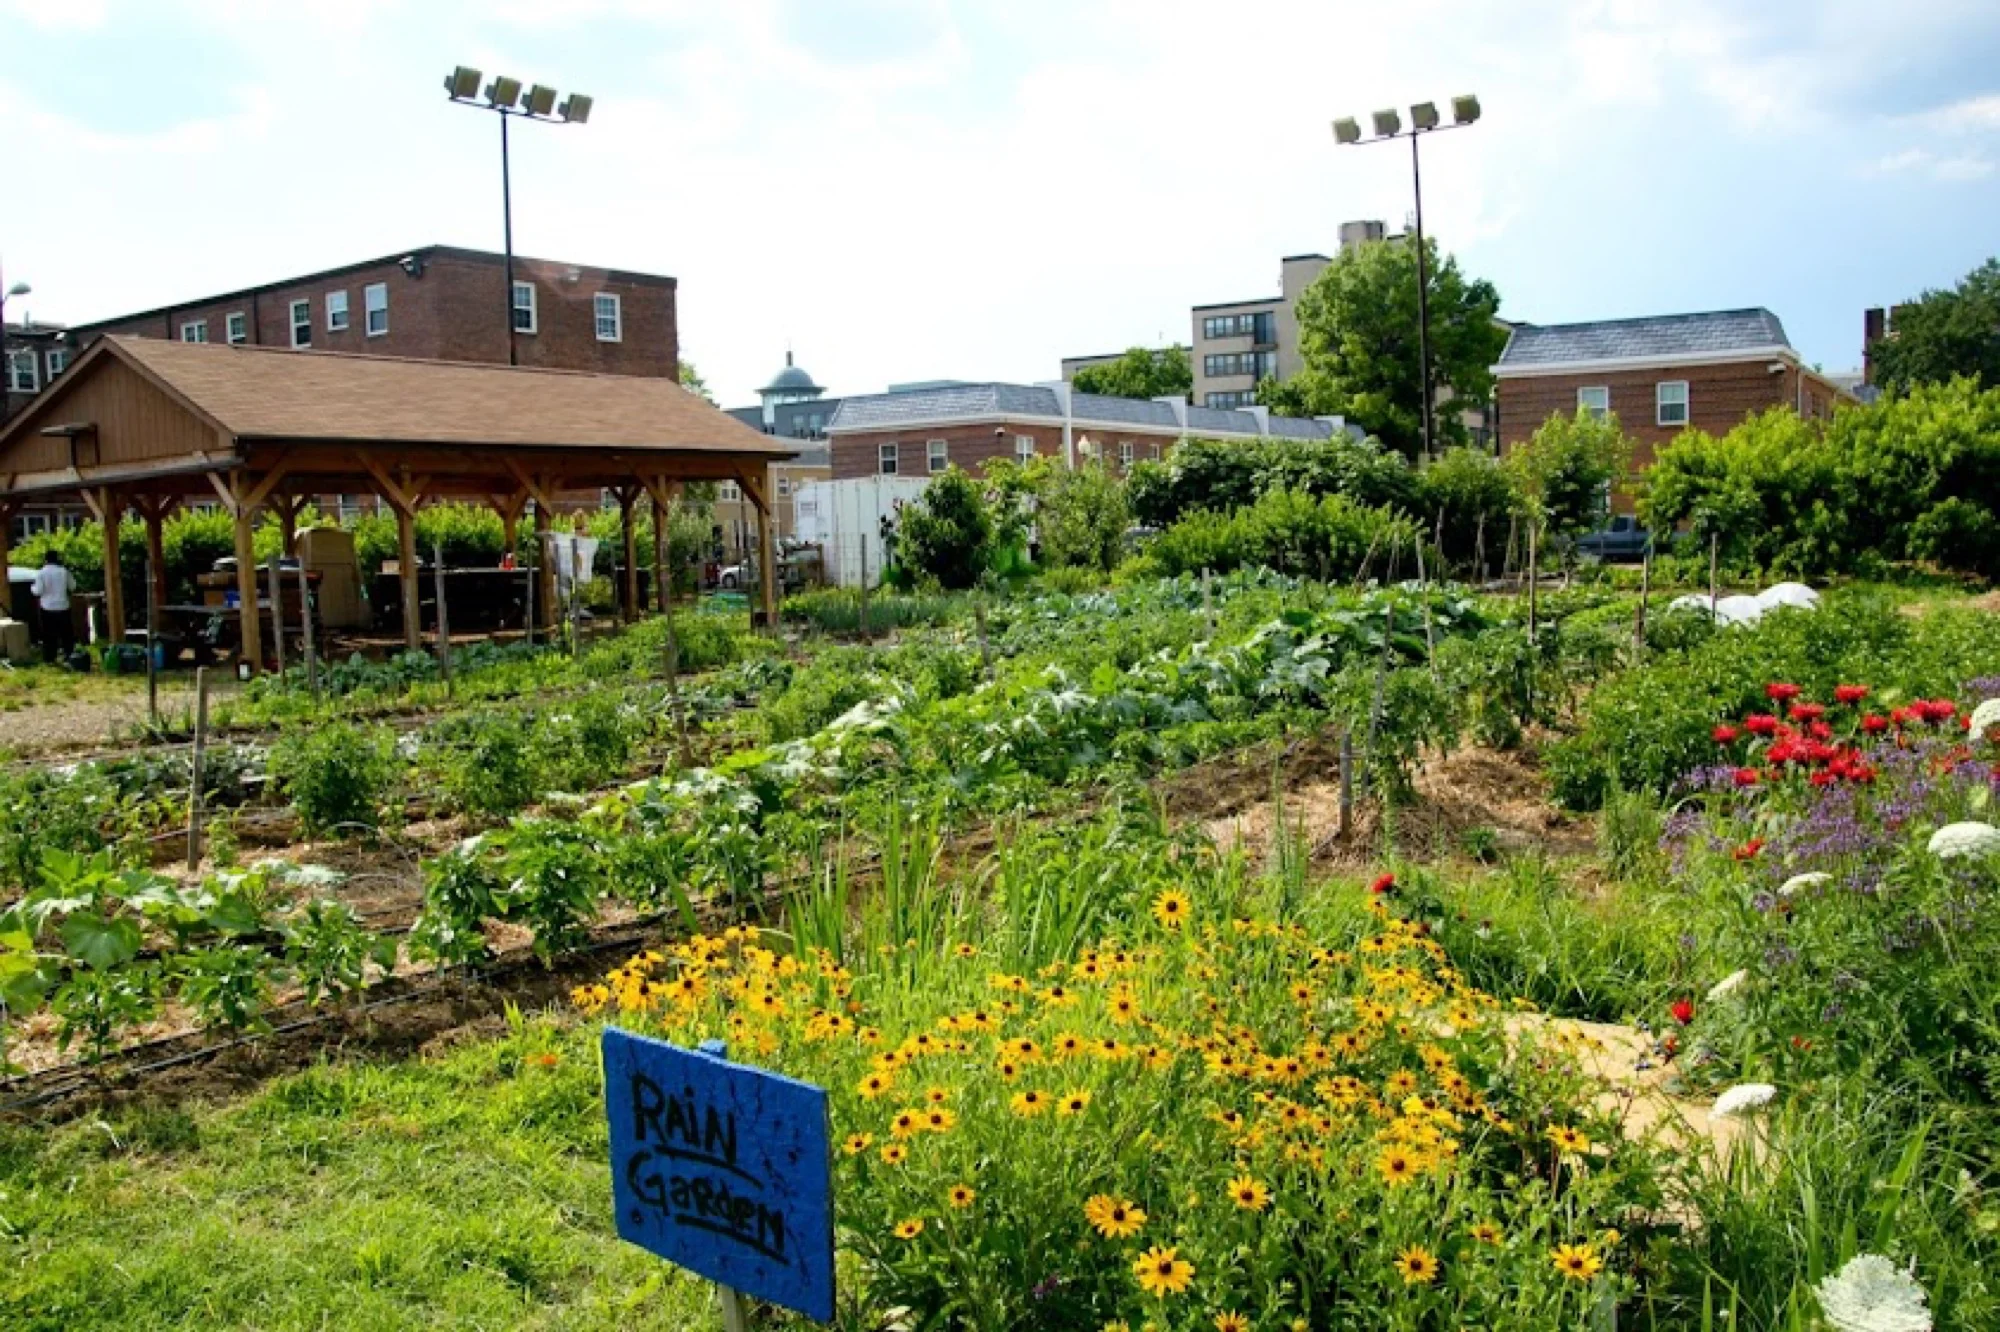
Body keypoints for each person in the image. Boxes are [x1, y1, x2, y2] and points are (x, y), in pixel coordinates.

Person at [29, 551, 76, 666]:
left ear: (46, 560)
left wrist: (32, 588)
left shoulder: (41, 573)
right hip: (63, 606)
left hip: (48, 607)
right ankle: (69, 655)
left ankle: (50, 658)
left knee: (49, 635)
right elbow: (73, 586)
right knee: (66, 634)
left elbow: (38, 591)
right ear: (57, 559)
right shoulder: (64, 571)